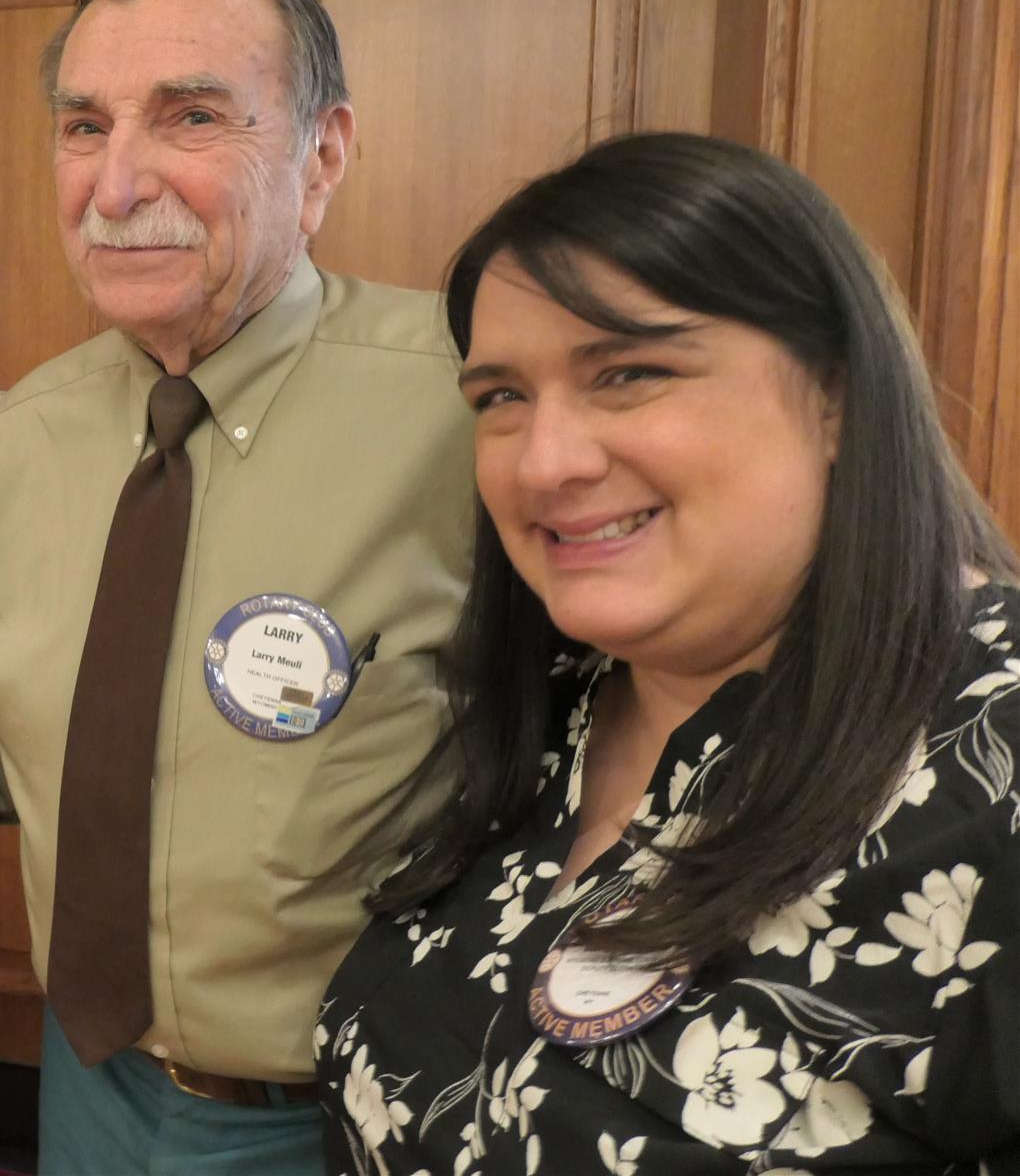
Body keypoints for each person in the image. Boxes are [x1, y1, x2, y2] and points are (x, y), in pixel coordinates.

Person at [317, 132, 1020, 1174]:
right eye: (501, 396)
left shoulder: (990, 763)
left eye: (630, 372)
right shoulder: (547, 711)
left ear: (834, 392)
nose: (547, 460)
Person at [0, 0, 475, 1175]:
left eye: (191, 116)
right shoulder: (15, 439)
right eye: (83, 126)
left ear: (324, 153)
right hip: (82, 1083)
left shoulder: (472, 406)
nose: (118, 179)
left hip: (347, 1114)